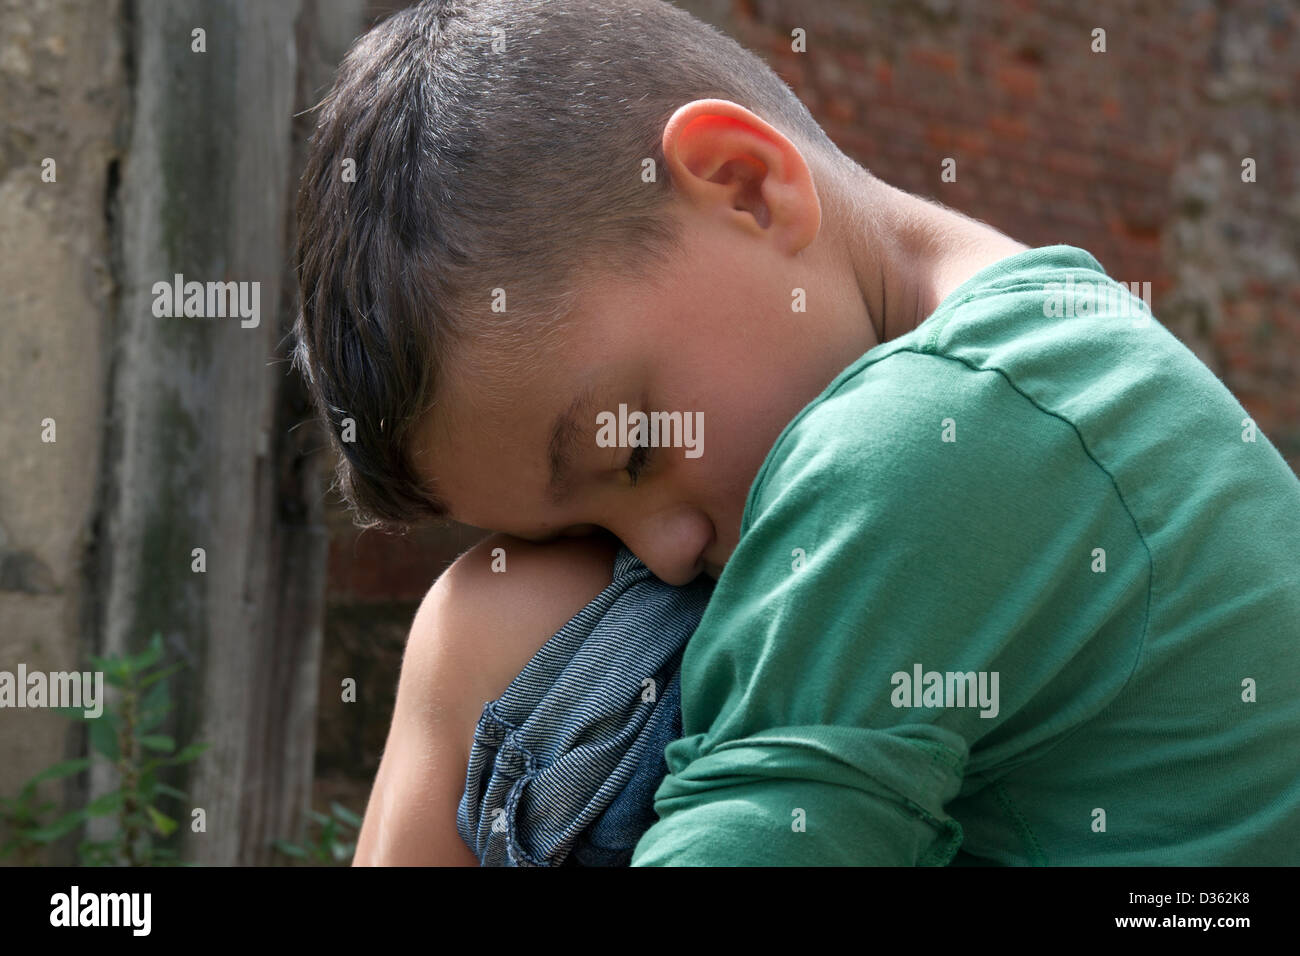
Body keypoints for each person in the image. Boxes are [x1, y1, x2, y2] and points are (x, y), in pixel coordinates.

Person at [293, 0, 1300, 865]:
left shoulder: (925, 439)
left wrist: (463, 661)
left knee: (495, 625)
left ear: (742, 182)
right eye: (585, 529)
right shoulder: (1054, 344)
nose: (668, 548)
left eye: (630, 452)